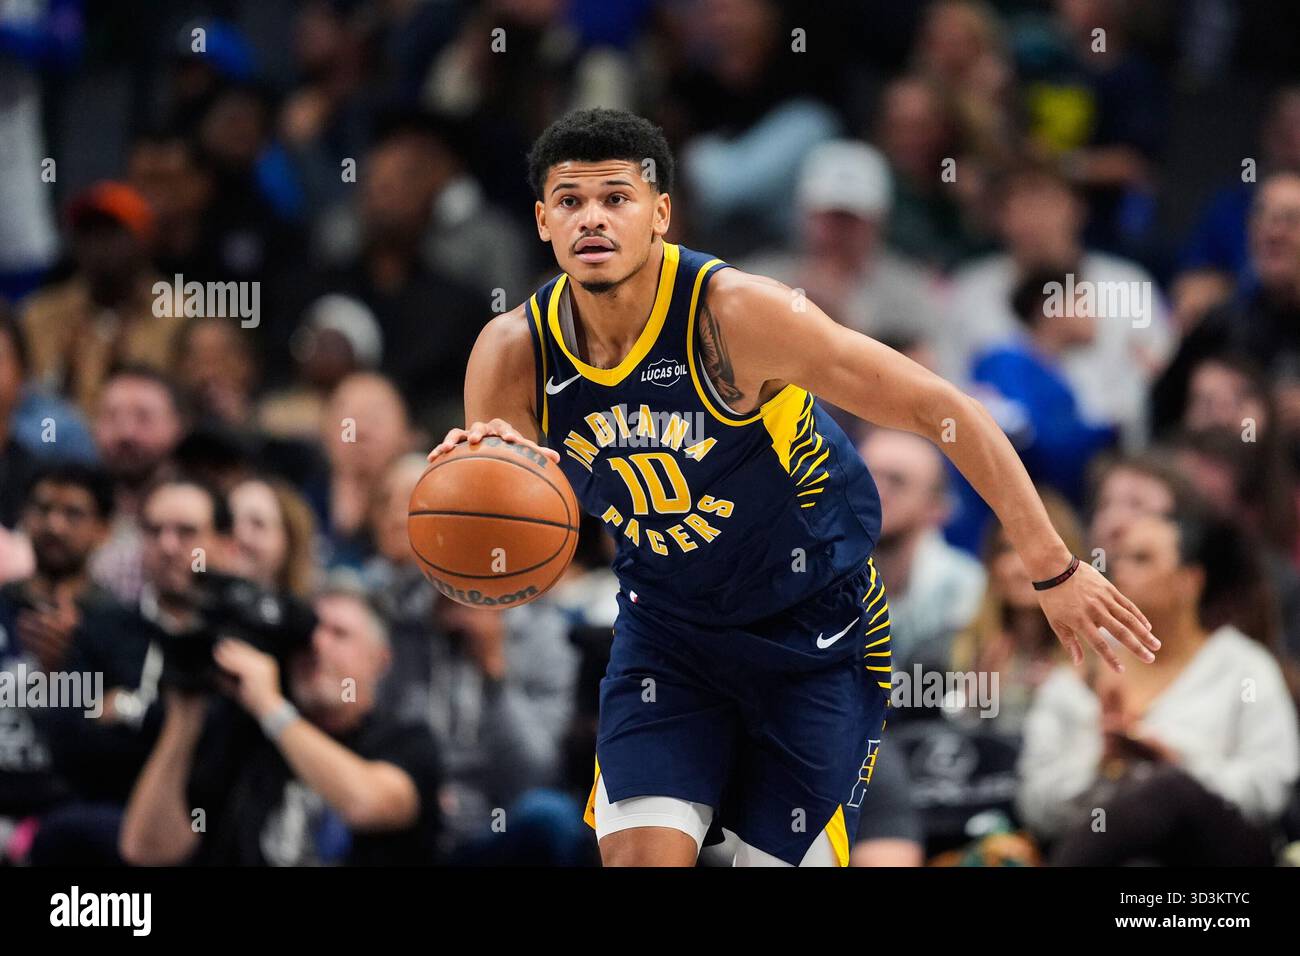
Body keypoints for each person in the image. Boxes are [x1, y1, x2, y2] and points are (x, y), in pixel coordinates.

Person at [426, 108, 1157, 868]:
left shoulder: (736, 315)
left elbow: (943, 410)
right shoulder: (513, 350)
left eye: (617, 196)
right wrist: (474, 492)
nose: (593, 218)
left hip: (814, 630)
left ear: (661, 216)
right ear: (543, 222)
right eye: (570, 201)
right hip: (668, 634)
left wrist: (1053, 566)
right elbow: (506, 518)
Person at [1018, 511, 1300, 865]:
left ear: (1189, 581)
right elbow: (1034, 806)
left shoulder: (1245, 668)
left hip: (1215, 858)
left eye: (1141, 559)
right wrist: (1101, 765)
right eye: (1118, 558)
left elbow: (1271, 789)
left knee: (1169, 788)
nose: (1120, 571)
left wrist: (1178, 762)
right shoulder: (1078, 666)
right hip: (1114, 855)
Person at [119, 581, 444, 866]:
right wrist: (184, 720)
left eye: (339, 634)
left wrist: (270, 707)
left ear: (381, 660)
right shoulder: (245, 730)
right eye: (310, 632)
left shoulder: (407, 740)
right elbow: (147, 851)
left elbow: (366, 804)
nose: (317, 645)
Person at [0, 464, 115, 856]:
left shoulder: (118, 624)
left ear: (104, 529)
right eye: (43, 509)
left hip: (71, 814)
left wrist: (65, 670)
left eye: (73, 514)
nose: (55, 526)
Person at [856, 427, 985, 667]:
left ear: (937, 508)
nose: (876, 492)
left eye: (896, 481)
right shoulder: (816, 574)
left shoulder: (971, 594)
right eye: (865, 476)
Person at [229, 477, 317, 598]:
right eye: (229, 519)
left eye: (257, 524)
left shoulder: (302, 614)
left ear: (289, 541)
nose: (238, 532)